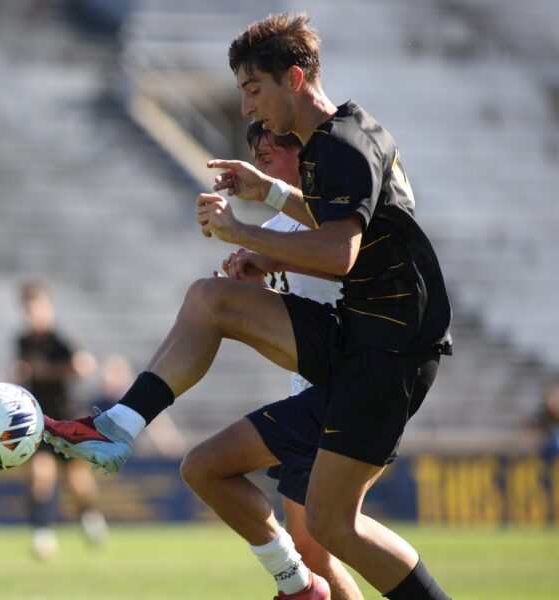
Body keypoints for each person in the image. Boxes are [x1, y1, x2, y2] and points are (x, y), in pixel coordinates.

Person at [45, 12, 452, 600]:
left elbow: (340, 252)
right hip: (361, 334)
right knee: (211, 301)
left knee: (332, 526)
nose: (245, 108)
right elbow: (352, 221)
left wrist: (243, 232)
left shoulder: (338, 146)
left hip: (389, 349)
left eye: (252, 89)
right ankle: (117, 426)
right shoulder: (344, 135)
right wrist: (271, 200)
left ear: (293, 78)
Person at [182, 121, 364, 600]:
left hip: (343, 386)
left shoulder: (335, 217)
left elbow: (341, 265)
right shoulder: (274, 230)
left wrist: (266, 255)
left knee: (327, 539)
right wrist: (254, 288)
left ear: (301, 156)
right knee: (314, 548)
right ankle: (303, 585)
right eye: (257, 154)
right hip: (307, 390)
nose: (261, 161)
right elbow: (297, 303)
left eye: (271, 153)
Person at [14, 280, 104, 559]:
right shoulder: (22, 340)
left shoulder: (59, 339)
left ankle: (90, 517)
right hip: (38, 421)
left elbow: (84, 365)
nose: (32, 312)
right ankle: (43, 532)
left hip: (65, 419)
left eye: (36, 305)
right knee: (41, 476)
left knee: (78, 482)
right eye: (28, 307)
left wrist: (49, 370)